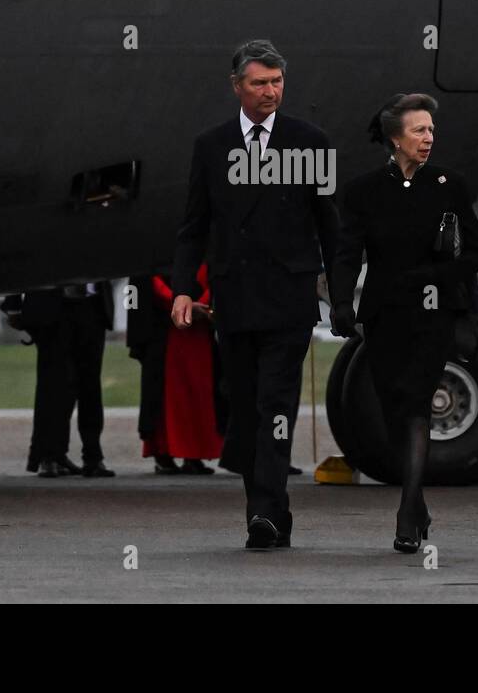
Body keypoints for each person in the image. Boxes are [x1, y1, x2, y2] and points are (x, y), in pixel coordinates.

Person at [171, 39, 341, 549]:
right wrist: (183, 289)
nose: (271, 92)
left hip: (288, 298)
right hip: (234, 297)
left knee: (276, 403)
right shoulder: (211, 146)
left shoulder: (312, 142)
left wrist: (342, 295)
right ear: (237, 87)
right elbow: (192, 228)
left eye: (277, 82)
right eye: (259, 83)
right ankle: (265, 509)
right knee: (244, 406)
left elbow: (330, 226)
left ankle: (265, 513)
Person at [329, 93, 478, 553]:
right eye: (419, 130)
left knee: (418, 406)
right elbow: (347, 252)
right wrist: (342, 303)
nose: (429, 137)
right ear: (395, 138)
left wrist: (435, 274)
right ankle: (417, 505)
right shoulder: (363, 191)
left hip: (432, 314)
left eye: (431, 130)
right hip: (383, 316)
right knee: (395, 411)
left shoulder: (448, 185)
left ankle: (405, 509)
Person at [2, 281, 116, 478]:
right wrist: (13, 305)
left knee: (90, 386)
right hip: (53, 308)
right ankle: (51, 455)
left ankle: (92, 456)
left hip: (92, 305)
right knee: (54, 386)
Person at [140, 267, 225, 474]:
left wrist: (201, 304)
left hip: (198, 332)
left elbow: (210, 274)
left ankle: (193, 453)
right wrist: (182, 304)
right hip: (168, 331)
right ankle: (164, 451)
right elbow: (152, 280)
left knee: (199, 393)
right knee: (168, 395)